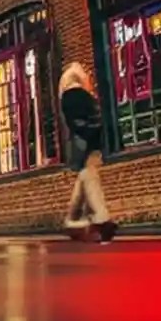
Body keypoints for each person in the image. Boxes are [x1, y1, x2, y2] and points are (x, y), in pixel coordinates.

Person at [58, 62, 117, 243]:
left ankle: (73, 221)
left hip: (82, 143)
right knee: (88, 176)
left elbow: (76, 124)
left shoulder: (68, 97)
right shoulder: (79, 96)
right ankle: (101, 218)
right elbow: (89, 122)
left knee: (85, 177)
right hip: (87, 143)